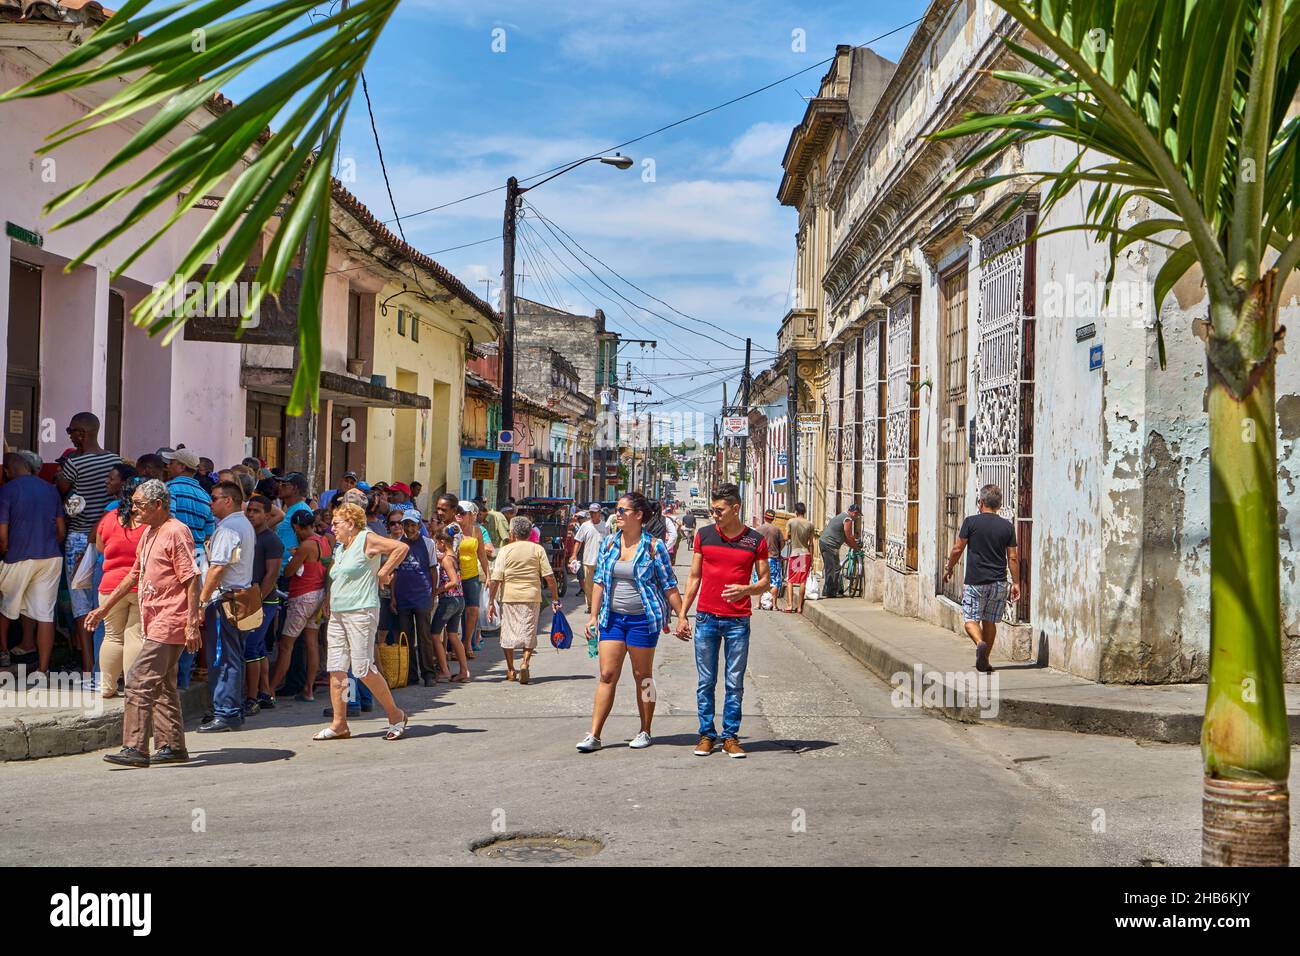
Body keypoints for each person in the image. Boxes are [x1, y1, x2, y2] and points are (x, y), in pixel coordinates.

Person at [90, 480, 200, 768]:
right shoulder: (150, 533)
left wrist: (191, 623)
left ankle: (135, 748)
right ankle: (172, 746)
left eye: (140, 504)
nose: (134, 509)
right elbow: (132, 576)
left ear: (158, 505)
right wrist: (104, 608)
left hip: (170, 620)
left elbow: (192, 579)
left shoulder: (176, 532)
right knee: (162, 685)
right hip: (154, 619)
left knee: (138, 680)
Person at [576, 492, 687, 754]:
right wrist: (593, 615)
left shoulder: (653, 546)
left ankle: (645, 729)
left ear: (638, 515)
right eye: (617, 510)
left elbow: (669, 585)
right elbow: (600, 581)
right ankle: (594, 735)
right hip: (613, 619)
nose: (618, 514)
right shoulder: (610, 543)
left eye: (623, 510)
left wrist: (681, 616)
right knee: (607, 675)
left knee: (643, 677)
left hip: (643, 621)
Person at [679, 483, 770, 759]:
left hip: (738, 621)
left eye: (719, 510)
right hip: (706, 617)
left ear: (735, 508)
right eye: (713, 509)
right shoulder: (704, 536)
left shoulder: (755, 541)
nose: (714, 514)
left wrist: (747, 590)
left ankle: (730, 736)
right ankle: (707, 734)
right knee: (706, 680)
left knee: (734, 681)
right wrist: (683, 614)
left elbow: (765, 582)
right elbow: (694, 577)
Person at [312, 502, 410, 742]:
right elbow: (337, 576)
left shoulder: (367, 538)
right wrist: (328, 598)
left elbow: (400, 547)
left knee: (362, 668)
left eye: (336, 523)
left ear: (351, 523)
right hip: (338, 613)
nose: (332, 527)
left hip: (361, 612)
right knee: (337, 668)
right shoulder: (341, 547)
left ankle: (396, 715)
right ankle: (340, 723)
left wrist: (384, 572)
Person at [57, 412, 122, 675]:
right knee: (104, 601)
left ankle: (88, 666)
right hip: (108, 537)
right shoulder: (115, 460)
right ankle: (106, 667)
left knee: (81, 606)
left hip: (80, 536)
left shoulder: (74, 463)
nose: (70, 435)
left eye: (71, 430)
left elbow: (61, 490)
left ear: (81, 434)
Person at [197, 480, 257, 733]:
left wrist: (201, 601)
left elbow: (218, 567)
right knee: (231, 656)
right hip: (236, 597)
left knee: (223, 657)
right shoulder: (241, 524)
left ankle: (226, 712)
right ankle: (227, 708)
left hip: (226, 600)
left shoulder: (230, 528)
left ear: (227, 500)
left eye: (214, 498)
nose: (210, 503)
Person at [942, 483, 1021, 674]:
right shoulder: (1007, 527)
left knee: (970, 619)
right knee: (989, 621)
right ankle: (985, 660)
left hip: (976, 582)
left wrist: (949, 567)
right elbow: (1012, 557)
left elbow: (957, 549)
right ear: (999, 505)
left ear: (981, 502)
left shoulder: (971, 522)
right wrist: (1016, 583)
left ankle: (979, 644)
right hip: (999, 583)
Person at [0, 451, 65, 678]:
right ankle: (43, 670)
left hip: (19, 555)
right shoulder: (50, 489)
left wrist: (6, 551)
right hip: (51, 557)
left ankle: (3, 651)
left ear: (8, 470)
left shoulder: (8, 490)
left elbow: (3, 534)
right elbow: (61, 530)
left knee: (6, 604)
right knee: (45, 614)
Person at [488, 515, 561, 684]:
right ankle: (525, 662)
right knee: (529, 630)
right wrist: (555, 599)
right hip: (531, 596)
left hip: (509, 597)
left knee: (507, 632)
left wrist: (491, 601)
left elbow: (496, 578)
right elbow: (549, 577)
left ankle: (511, 669)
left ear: (512, 533)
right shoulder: (538, 549)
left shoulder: (505, 550)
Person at [94, 473, 146, 697]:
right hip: (139, 585)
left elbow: (100, 548)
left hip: (110, 585)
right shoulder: (149, 522)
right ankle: (133, 688)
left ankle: (107, 687)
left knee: (112, 636)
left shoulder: (109, 518)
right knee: (135, 635)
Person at [271, 509, 330, 702]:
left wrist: (293, 557)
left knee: (286, 645)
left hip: (303, 596)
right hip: (319, 595)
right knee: (311, 644)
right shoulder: (324, 542)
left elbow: (288, 572)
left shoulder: (306, 545)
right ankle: (308, 690)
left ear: (297, 527)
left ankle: (269, 690)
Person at [243, 494, 284, 713]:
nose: (251, 514)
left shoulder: (271, 540)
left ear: (267, 515)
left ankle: (252, 699)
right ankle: (265, 693)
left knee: (251, 646)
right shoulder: (247, 535)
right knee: (257, 647)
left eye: (256, 511)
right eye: (249, 510)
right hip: (249, 599)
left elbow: (272, 574)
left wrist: (256, 601)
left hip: (263, 601)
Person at [393, 510, 438, 686]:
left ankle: (428, 673)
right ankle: (410, 674)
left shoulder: (428, 543)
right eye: (406, 525)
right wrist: (394, 597)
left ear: (419, 526)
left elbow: (433, 570)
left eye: (413, 525)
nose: (409, 528)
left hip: (422, 596)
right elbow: (394, 572)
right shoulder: (397, 544)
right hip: (403, 596)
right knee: (405, 636)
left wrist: (433, 593)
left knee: (424, 635)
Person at [430, 527, 470, 682]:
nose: (436, 546)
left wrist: (437, 590)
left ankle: (445, 670)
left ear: (441, 542)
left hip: (449, 600)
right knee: (453, 635)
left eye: (436, 543)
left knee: (434, 634)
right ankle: (464, 671)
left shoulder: (447, 559)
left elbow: (453, 581)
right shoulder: (453, 556)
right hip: (459, 600)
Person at [571, 502, 608, 614]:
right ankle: (591, 606)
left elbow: (610, 542)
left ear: (599, 513)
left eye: (595, 513)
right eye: (591, 512)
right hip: (588, 560)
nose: (592, 515)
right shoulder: (585, 526)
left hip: (602, 561)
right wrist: (574, 555)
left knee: (601, 584)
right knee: (588, 586)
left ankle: (600, 605)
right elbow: (578, 541)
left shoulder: (605, 526)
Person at [818, 503, 860, 599]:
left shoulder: (841, 516)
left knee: (829, 568)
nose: (856, 518)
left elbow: (845, 538)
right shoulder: (847, 519)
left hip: (823, 542)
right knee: (835, 568)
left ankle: (827, 590)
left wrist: (853, 546)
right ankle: (831, 592)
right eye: (857, 516)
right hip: (830, 545)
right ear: (854, 513)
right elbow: (848, 535)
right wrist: (856, 547)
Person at [274, 472, 312, 570]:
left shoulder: (301, 510)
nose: (280, 487)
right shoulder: (290, 508)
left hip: (289, 572)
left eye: (284, 485)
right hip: (280, 570)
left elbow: (307, 542)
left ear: (295, 488)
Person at [784, 502, 815, 614]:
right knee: (802, 581)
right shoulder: (810, 524)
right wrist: (811, 559)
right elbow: (811, 543)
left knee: (790, 580)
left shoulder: (791, 522)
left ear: (796, 512)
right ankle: (800, 607)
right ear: (804, 511)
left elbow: (786, 537)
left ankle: (790, 605)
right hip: (805, 554)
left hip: (795, 554)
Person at [755, 508, 785, 611]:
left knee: (760, 580)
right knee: (774, 582)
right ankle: (775, 605)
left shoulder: (758, 529)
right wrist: (777, 550)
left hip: (760, 560)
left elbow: (754, 545)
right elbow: (783, 543)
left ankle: (758, 604)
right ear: (773, 519)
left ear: (764, 517)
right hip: (773, 558)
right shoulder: (777, 530)